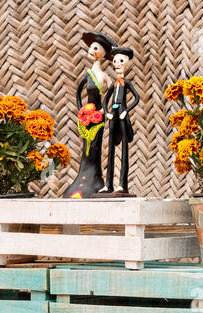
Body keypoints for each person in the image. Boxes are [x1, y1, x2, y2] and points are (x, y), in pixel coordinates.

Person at [65, 31, 114, 198]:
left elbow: (111, 93)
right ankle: (83, 178)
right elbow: (79, 91)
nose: (93, 51)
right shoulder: (89, 74)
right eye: (92, 47)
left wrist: (104, 110)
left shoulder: (104, 77)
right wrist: (81, 109)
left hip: (98, 115)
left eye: (96, 48)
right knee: (87, 143)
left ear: (103, 54)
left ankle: (94, 178)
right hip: (86, 114)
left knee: (95, 144)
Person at [102, 46, 138, 195]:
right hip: (113, 115)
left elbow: (137, 98)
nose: (117, 64)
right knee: (110, 150)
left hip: (122, 114)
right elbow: (106, 100)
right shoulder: (114, 84)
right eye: (115, 61)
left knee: (124, 150)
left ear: (127, 62)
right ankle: (108, 184)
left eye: (121, 60)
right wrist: (107, 113)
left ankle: (122, 184)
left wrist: (126, 111)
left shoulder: (126, 83)